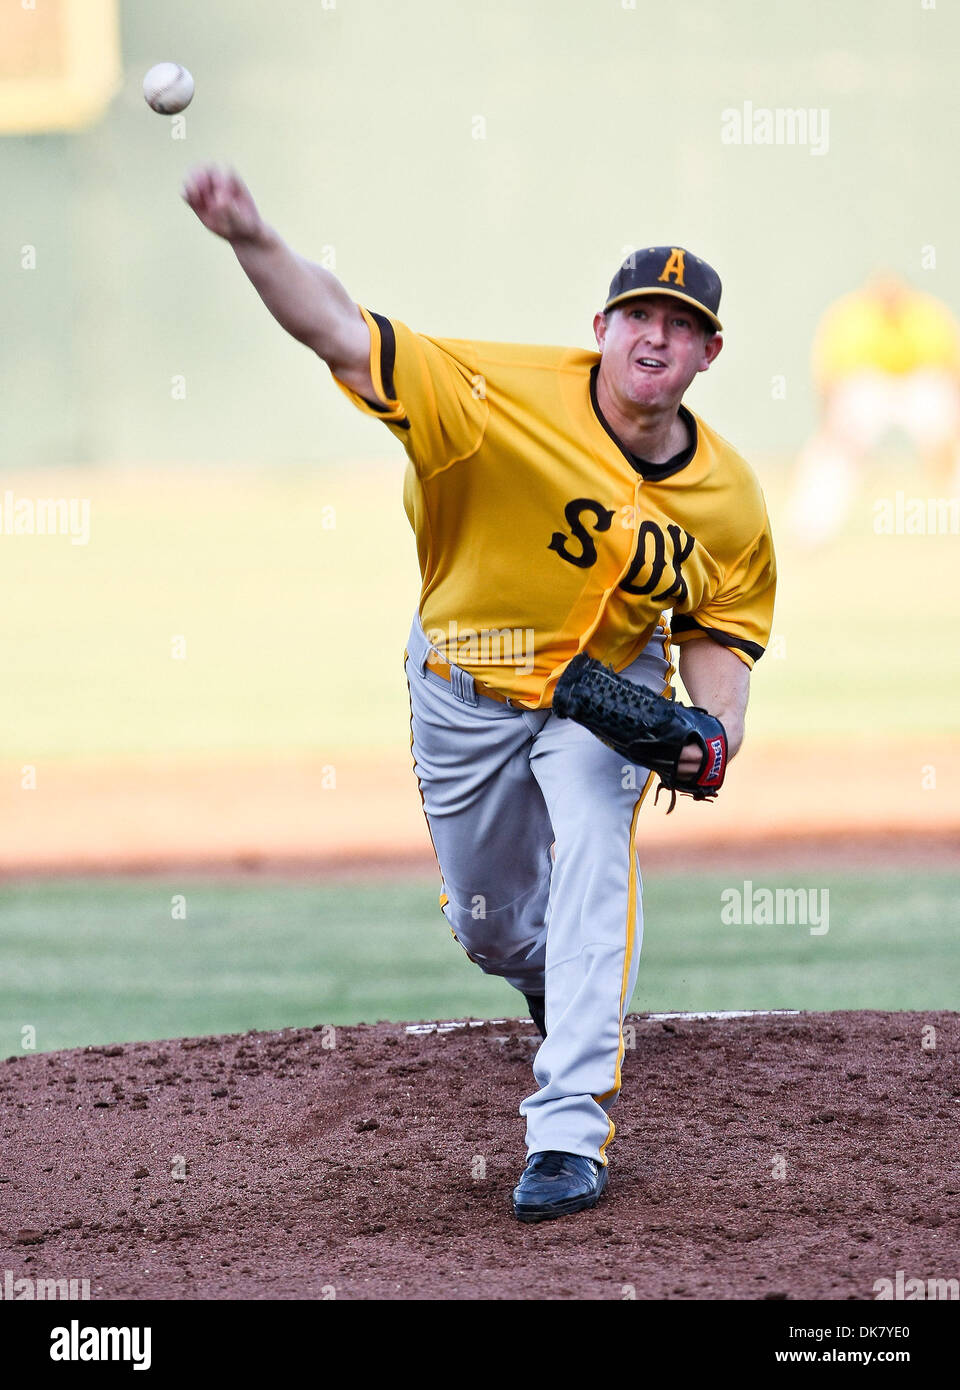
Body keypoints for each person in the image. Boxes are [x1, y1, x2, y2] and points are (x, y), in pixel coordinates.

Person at [182, 166, 777, 1223]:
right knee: (494, 926)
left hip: (608, 687)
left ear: (709, 352)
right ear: (601, 326)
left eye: (681, 326)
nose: (655, 337)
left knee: (598, 852)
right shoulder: (489, 396)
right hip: (469, 680)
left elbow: (721, 629)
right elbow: (340, 331)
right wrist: (249, 236)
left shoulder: (729, 498)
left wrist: (717, 730)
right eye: (639, 314)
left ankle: (569, 1130)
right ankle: (556, 981)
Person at [789, 273, 960, 547]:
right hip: (869, 388)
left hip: (918, 386)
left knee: (948, 442)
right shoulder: (850, 318)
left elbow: (949, 374)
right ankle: (810, 527)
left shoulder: (929, 316)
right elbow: (830, 377)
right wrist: (830, 422)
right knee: (836, 448)